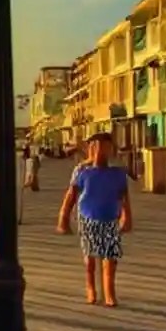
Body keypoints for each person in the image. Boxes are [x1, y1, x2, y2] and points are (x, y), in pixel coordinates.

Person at [57, 132, 132, 307]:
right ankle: (91, 287)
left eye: (105, 147)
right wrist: (64, 218)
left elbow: (124, 196)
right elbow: (71, 196)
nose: (100, 151)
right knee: (90, 258)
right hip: (88, 217)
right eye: (96, 146)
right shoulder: (82, 171)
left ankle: (109, 291)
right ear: (90, 149)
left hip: (110, 218)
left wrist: (127, 216)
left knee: (110, 258)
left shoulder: (118, 173)